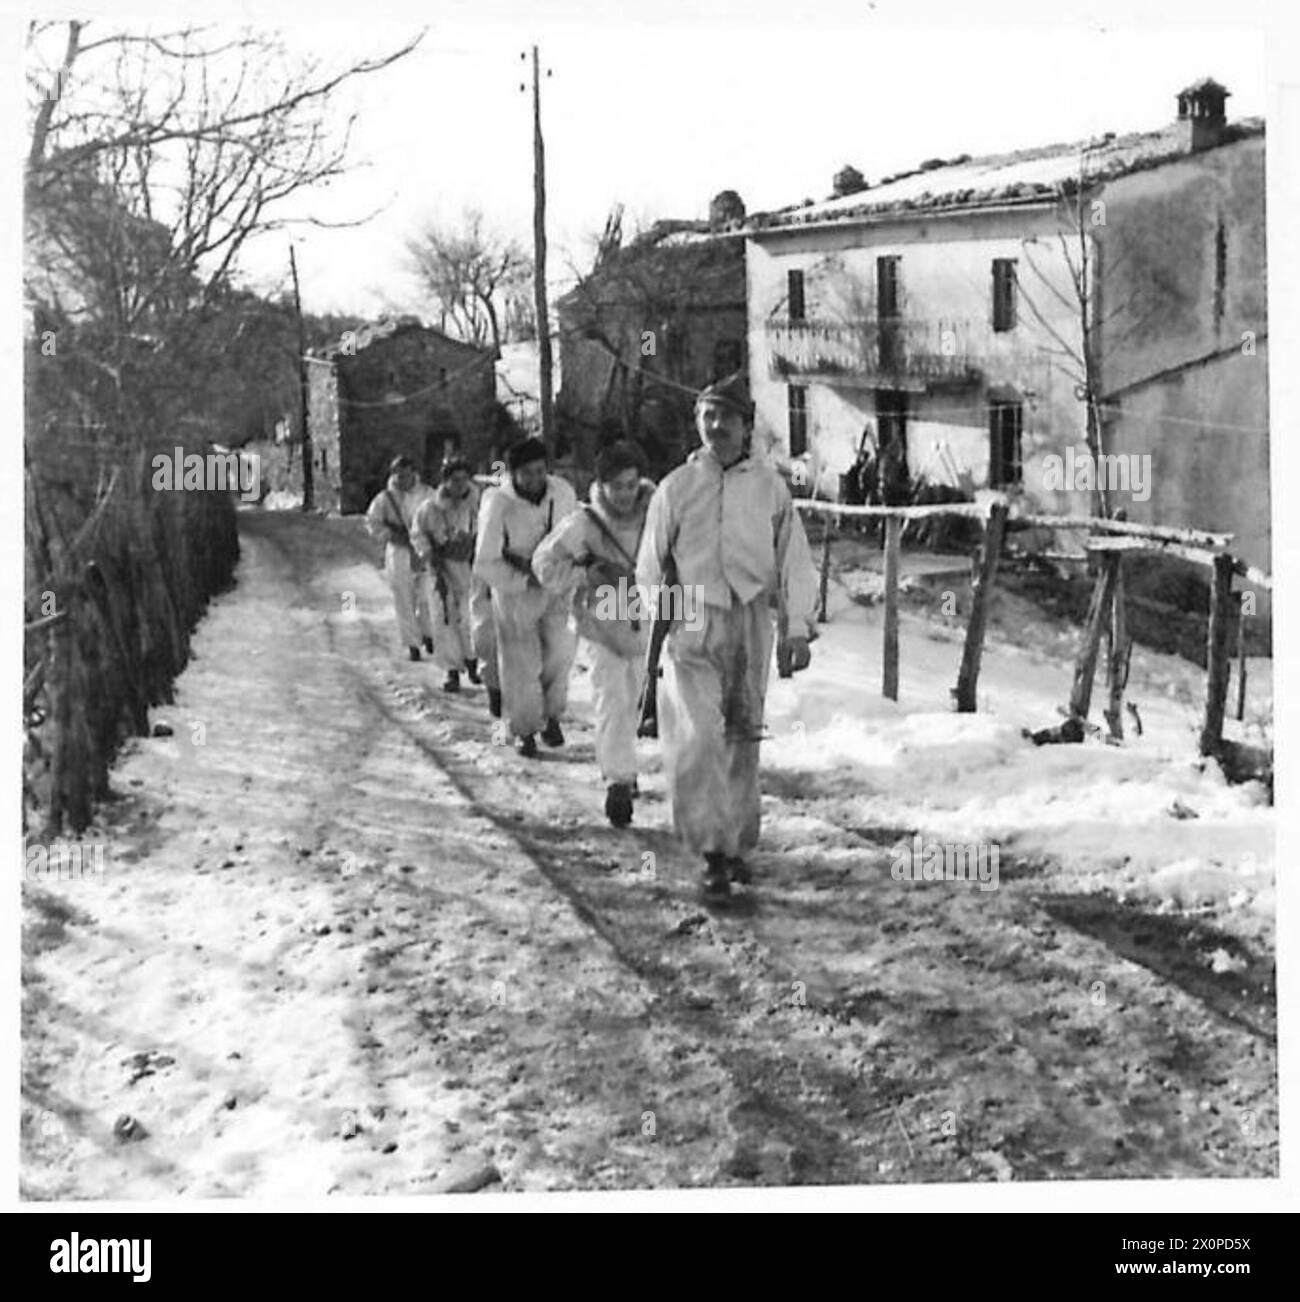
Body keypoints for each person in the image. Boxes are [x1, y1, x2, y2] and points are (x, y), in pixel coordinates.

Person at [637, 374, 817, 902]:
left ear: (747, 423)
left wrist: (797, 628)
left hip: (749, 623)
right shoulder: (676, 487)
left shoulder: (769, 486)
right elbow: (651, 566)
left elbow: (794, 559)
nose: (717, 427)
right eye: (708, 417)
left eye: (727, 418)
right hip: (692, 621)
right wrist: (661, 620)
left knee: (741, 737)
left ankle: (735, 843)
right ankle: (711, 851)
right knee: (697, 736)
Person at [533, 441, 654, 827]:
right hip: (600, 620)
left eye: (631, 484)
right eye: (616, 485)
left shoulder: (658, 513)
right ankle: (617, 780)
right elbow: (544, 563)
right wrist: (584, 575)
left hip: (645, 615)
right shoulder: (584, 523)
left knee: (633, 698)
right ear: (601, 485)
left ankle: (622, 764)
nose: (624, 494)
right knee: (611, 697)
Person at [472, 438, 578, 758]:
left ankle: (552, 715)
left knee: (559, 651)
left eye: (539, 471)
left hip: (556, 584)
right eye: (526, 473)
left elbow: (575, 533)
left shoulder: (563, 493)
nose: (534, 479)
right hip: (516, 589)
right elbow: (485, 560)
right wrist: (521, 579)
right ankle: (524, 728)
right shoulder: (497, 504)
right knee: (521, 662)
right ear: (514, 474)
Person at [411, 457, 481, 693]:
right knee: (445, 618)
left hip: (470, 567)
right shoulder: (430, 508)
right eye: (454, 480)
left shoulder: (477, 505)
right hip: (442, 568)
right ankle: (452, 670)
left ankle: (473, 662)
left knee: (470, 617)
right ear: (446, 481)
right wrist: (429, 554)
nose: (460, 485)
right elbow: (418, 534)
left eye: (464, 479)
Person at [365, 455, 434, 661]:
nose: (401, 479)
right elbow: (372, 522)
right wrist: (389, 535)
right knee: (403, 597)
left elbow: (439, 516)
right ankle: (412, 643)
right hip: (399, 550)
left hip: (425, 548)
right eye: (398, 475)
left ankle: (428, 632)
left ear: (413, 473)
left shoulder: (428, 494)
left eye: (405, 474)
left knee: (427, 595)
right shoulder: (385, 498)